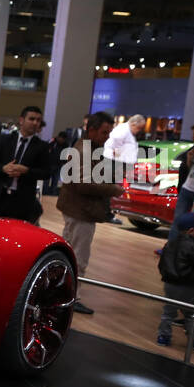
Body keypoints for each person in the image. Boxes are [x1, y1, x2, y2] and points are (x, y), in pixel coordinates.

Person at [56, 111, 121, 314]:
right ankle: (71, 297)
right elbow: (83, 184)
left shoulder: (87, 148)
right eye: (104, 132)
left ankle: (62, 293)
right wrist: (114, 188)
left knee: (71, 253)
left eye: (109, 132)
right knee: (78, 257)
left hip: (79, 209)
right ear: (91, 130)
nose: (107, 137)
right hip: (80, 211)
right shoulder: (83, 151)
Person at [0, 106, 53, 223]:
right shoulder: (5, 139)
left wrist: (27, 171)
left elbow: (46, 173)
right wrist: (3, 168)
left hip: (22, 201)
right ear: (21, 120)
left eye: (38, 120)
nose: (35, 123)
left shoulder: (42, 146)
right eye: (32, 119)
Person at [155, 211, 194, 349]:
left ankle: (163, 337)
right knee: (192, 314)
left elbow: (161, 263)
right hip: (188, 286)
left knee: (168, 312)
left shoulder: (170, 243)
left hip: (169, 284)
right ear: (192, 230)